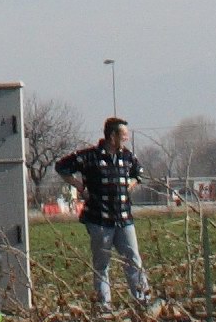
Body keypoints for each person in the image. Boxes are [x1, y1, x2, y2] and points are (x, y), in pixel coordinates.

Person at [58, 116, 151, 310]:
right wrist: (79, 186)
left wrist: (130, 184)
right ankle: (104, 307)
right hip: (99, 221)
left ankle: (143, 302)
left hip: (124, 219)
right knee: (102, 265)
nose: (126, 139)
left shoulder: (127, 157)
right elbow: (61, 167)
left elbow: (139, 173)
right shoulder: (89, 157)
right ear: (112, 136)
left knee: (134, 260)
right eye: (123, 135)